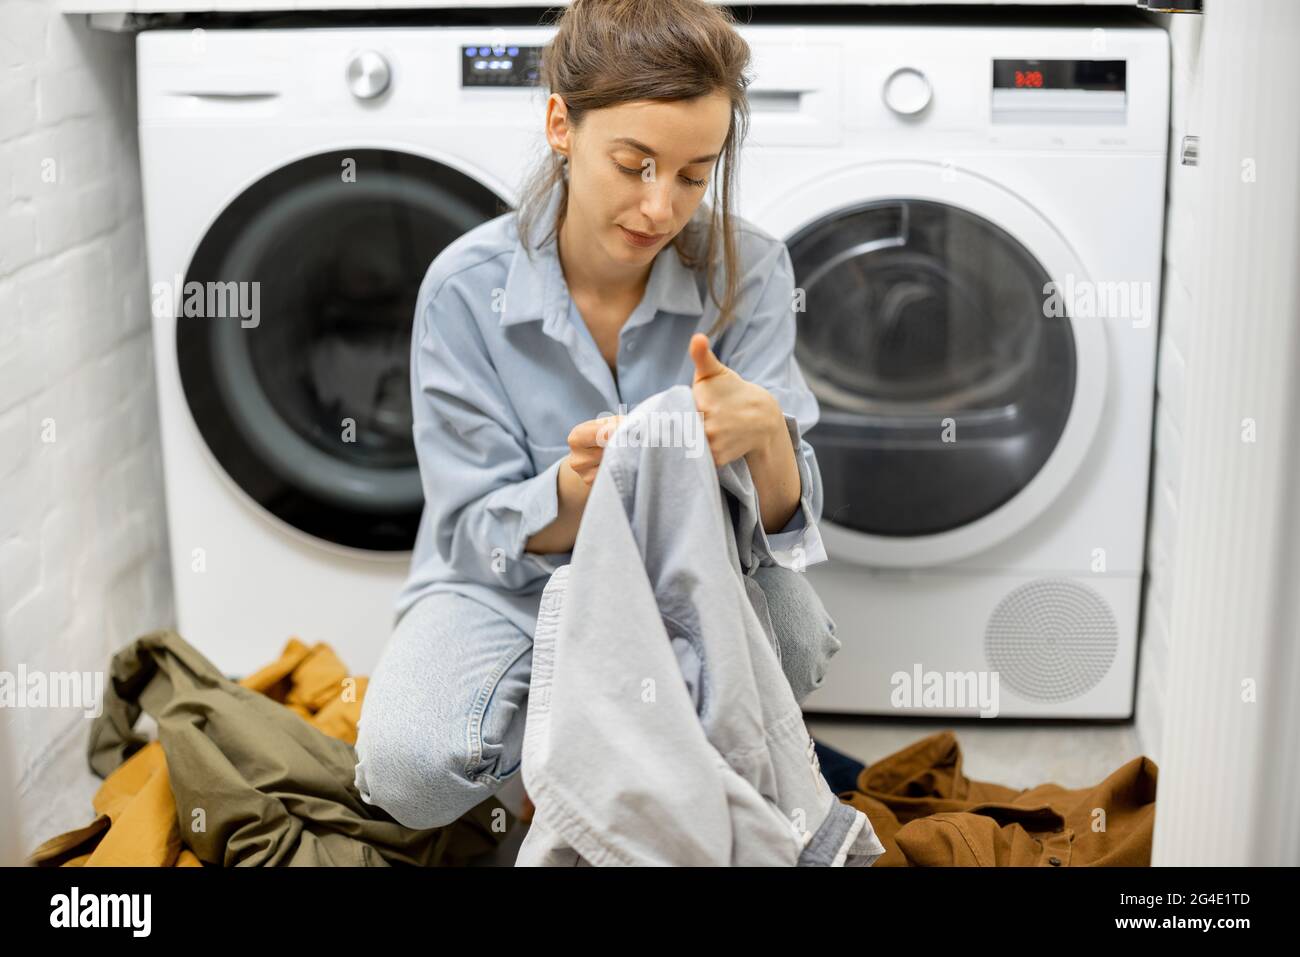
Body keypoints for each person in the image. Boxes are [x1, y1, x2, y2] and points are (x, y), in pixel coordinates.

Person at [353, 0, 841, 833]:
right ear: (560, 125)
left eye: (694, 175)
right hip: (514, 587)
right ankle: (615, 750)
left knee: (796, 635)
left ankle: (604, 765)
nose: (661, 207)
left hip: (696, 574)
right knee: (413, 770)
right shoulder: (464, 289)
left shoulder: (751, 270)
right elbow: (473, 531)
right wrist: (579, 490)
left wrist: (764, 439)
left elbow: (782, 537)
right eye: (633, 162)